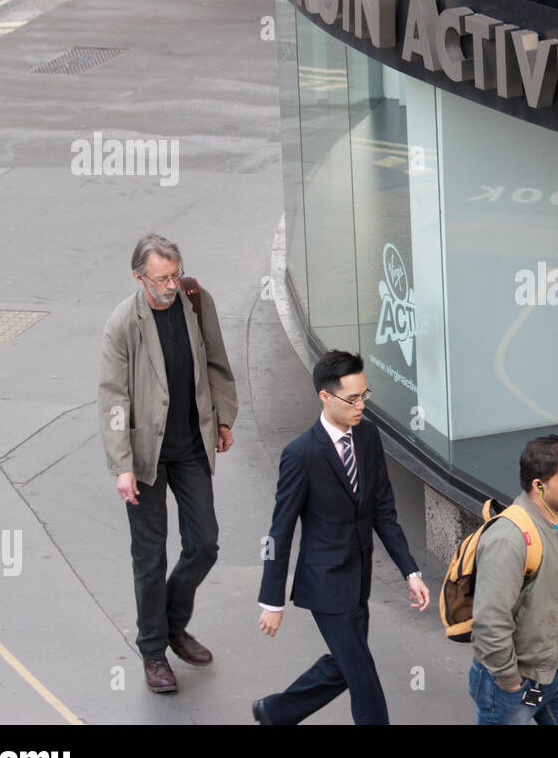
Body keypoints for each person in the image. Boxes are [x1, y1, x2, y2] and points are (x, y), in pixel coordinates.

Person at [254, 350, 429, 724]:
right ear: (325, 396)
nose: (361, 405)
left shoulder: (368, 436)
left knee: (346, 664)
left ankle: (275, 712)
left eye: (364, 395)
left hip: (358, 578)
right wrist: (272, 600)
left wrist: (410, 572)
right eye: (352, 399)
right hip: (325, 584)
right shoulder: (300, 455)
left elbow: (383, 511)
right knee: (362, 675)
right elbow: (280, 530)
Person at [98, 233, 237, 694]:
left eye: (175, 274)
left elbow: (217, 364)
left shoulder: (196, 301)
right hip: (146, 456)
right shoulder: (123, 323)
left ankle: (173, 623)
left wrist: (223, 418)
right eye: (161, 279)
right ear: (139, 278)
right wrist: (122, 464)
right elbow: (112, 398)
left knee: (205, 544)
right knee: (149, 556)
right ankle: (154, 651)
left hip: (192, 445)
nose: (172, 285)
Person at [469, 435, 558, 724]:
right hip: (522, 681)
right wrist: (510, 681)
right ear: (539, 486)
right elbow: (490, 619)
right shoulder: (509, 537)